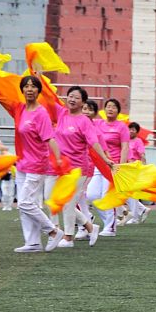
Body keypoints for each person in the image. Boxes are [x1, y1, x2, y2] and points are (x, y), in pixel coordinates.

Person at [54, 86, 112, 247]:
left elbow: (94, 142)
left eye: (76, 98)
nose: (72, 99)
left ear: (83, 103)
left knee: (68, 202)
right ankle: (90, 227)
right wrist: (37, 75)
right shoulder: (61, 113)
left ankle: (68, 238)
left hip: (78, 168)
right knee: (60, 201)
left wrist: (105, 159)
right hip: (62, 167)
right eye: (70, 96)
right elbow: (47, 96)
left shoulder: (84, 121)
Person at [13, 75, 64, 253]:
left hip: (37, 163)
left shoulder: (41, 113)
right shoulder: (20, 110)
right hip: (22, 163)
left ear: (38, 90)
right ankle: (32, 242)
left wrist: (58, 159)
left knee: (25, 203)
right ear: (22, 90)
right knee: (27, 204)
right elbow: (0, 95)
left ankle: (53, 231)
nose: (29, 89)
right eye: (26, 86)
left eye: (33, 86)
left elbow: (50, 138)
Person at [86, 98, 130, 237]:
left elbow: (125, 147)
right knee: (92, 195)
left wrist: (120, 166)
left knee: (107, 195)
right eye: (108, 106)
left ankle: (110, 228)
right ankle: (109, 222)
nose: (110, 109)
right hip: (99, 164)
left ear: (118, 111)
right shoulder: (98, 123)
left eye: (113, 107)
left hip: (113, 164)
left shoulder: (121, 126)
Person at [124, 121, 150, 224]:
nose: (131, 131)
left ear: (137, 132)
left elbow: (142, 154)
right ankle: (142, 209)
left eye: (133, 129)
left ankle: (134, 218)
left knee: (132, 193)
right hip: (125, 169)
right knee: (124, 192)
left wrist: (144, 167)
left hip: (134, 169)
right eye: (129, 129)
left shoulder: (138, 141)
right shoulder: (125, 141)